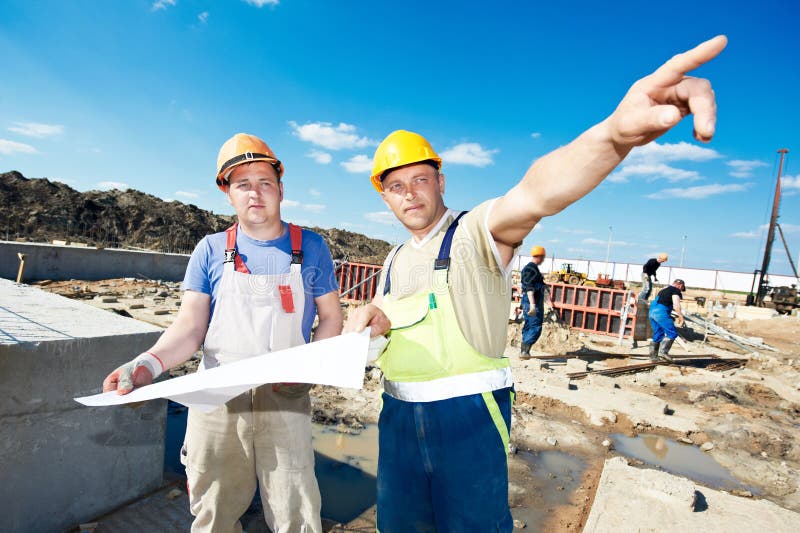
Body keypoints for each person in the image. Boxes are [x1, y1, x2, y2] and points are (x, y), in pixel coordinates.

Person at [344, 36, 726, 532]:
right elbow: (388, 325)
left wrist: (613, 135)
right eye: (395, 186)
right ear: (385, 198)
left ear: (441, 181)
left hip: (467, 427)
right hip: (396, 426)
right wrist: (373, 320)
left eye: (419, 179)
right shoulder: (393, 260)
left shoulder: (475, 233)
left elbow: (536, 192)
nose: (409, 193)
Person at [101, 133, 342, 533]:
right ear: (228, 193)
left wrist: (308, 370)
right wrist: (147, 364)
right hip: (216, 398)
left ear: (281, 189)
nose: (255, 194)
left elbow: (331, 318)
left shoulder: (311, 247)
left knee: (296, 513)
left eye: (264, 182)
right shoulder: (211, 249)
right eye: (242, 184)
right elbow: (191, 326)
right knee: (213, 512)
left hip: (284, 396)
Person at [648, 278, 686, 362]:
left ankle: (653, 357)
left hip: (652, 312)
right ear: (680, 285)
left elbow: (661, 301)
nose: (681, 290)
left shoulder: (663, 290)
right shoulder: (676, 290)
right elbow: (676, 304)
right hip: (661, 312)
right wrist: (681, 317)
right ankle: (663, 352)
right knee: (672, 333)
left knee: (658, 333)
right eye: (682, 288)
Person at [520, 245, 547, 359]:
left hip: (530, 301)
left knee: (529, 324)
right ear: (540, 256)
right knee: (535, 326)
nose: (543, 259)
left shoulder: (532, 268)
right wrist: (532, 305)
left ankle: (524, 351)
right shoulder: (531, 269)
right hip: (532, 302)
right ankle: (525, 351)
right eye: (543, 257)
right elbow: (529, 287)